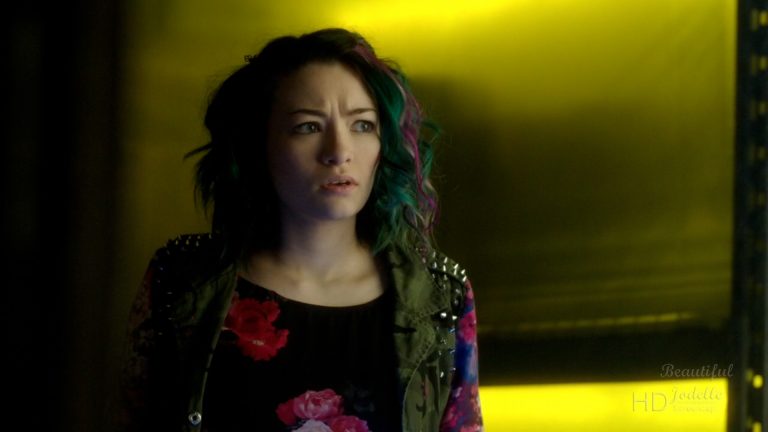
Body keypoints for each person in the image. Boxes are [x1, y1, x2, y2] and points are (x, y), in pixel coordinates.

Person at [117, 27, 483, 432]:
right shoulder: (181, 280)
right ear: (258, 144)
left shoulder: (438, 294)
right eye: (308, 127)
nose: (339, 152)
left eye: (362, 125)